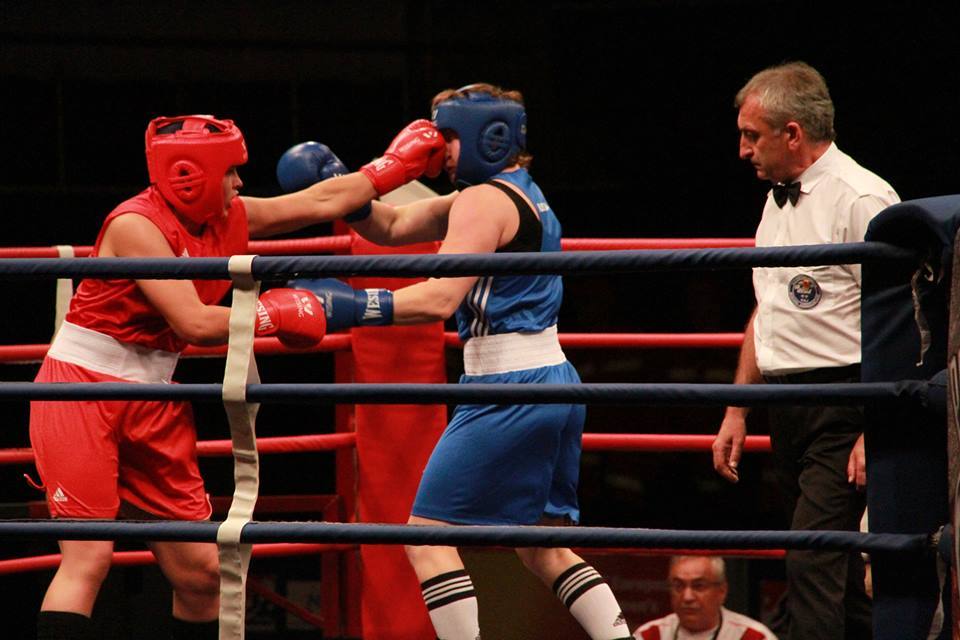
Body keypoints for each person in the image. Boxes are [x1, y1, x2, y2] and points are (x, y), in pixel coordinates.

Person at [28, 113, 445, 640]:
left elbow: (320, 202)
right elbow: (196, 324)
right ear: (190, 174)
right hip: (83, 388)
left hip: (154, 393)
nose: (239, 183)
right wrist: (277, 312)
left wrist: (392, 166)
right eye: (230, 172)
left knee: (204, 575)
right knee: (88, 561)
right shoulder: (135, 226)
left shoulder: (230, 217)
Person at [285, 83, 633, 639]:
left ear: (484, 137)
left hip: (508, 386)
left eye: (445, 136)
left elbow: (438, 299)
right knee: (540, 545)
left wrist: (348, 307)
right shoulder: (516, 192)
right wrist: (344, 185)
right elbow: (393, 227)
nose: (434, 147)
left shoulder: (482, 202)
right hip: (551, 380)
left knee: (425, 537)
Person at [711, 62, 900, 640]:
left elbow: (901, 322)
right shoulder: (775, 202)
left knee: (811, 557)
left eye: (752, 135)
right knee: (835, 568)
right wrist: (738, 408)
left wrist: (877, 422)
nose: (742, 150)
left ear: (793, 133)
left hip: (846, 402)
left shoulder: (863, 198)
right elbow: (768, 309)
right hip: (787, 404)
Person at [634, 556, 777, 640]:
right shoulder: (649, 635)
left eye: (699, 586)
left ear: (722, 591)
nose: (687, 597)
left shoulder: (754, 637)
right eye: (678, 586)